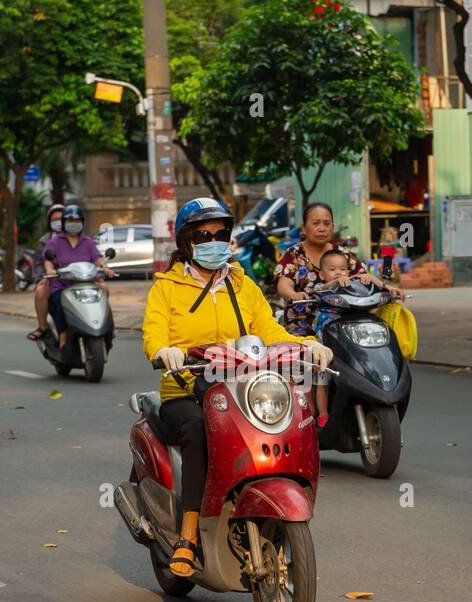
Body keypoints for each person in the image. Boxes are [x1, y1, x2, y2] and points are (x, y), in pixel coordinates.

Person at [142, 197, 333, 577]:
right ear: (187, 241)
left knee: (290, 415)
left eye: (221, 233)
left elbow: (271, 330)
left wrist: (306, 343)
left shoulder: (242, 285)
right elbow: (153, 333)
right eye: (204, 234)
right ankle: (188, 535)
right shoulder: (166, 288)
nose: (214, 240)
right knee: (198, 429)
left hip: (241, 388)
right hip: (184, 389)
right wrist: (164, 352)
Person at [275, 202, 396, 332]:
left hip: (344, 325)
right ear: (304, 228)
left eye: (327, 224)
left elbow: (364, 278)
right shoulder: (294, 254)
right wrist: (293, 294)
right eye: (316, 223)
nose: (322, 228)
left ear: (332, 227)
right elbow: (283, 285)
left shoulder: (343, 254)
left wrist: (388, 289)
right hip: (301, 325)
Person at [28, 203, 107, 344]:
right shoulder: (54, 241)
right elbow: (47, 260)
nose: (74, 224)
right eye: (70, 221)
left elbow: (97, 259)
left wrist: (105, 268)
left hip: (85, 283)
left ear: (82, 222)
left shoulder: (87, 241)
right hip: (62, 283)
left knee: (104, 290)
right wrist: (50, 270)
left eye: (77, 221)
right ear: (65, 223)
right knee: (59, 301)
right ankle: (62, 334)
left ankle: (104, 326)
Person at [304, 249, 353, 428]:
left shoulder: (350, 286)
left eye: (343, 269)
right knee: (322, 378)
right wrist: (334, 283)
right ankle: (322, 413)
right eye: (333, 269)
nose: (339, 273)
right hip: (324, 343)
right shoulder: (320, 287)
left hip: (343, 339)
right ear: (322, 274)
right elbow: (321, 289)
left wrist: (368, 279)